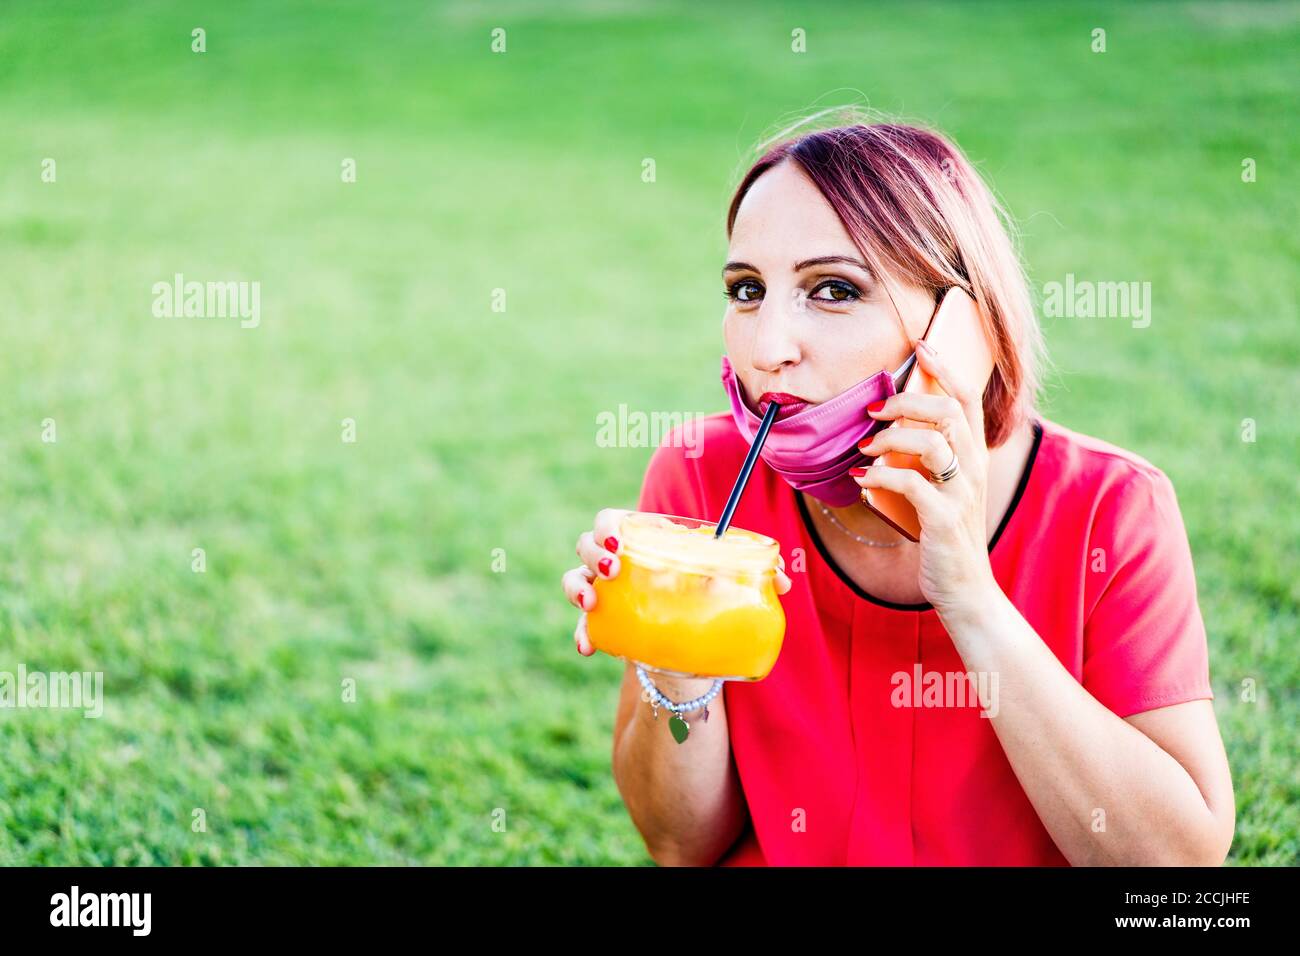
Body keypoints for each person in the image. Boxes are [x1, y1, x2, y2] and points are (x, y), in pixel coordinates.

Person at [560, 117, 1234, 866]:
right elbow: (681, 844)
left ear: (962, 325)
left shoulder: (1111, 509)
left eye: (835, 289)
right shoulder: (698, 476)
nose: (767, 347)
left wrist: (972, 600)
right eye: (746, 289)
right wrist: (677, 666)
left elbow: (1177, 873)